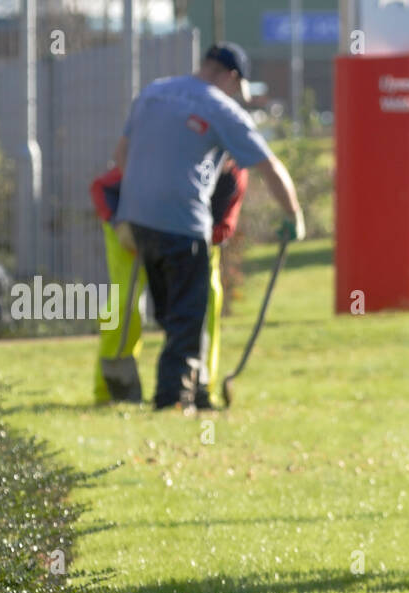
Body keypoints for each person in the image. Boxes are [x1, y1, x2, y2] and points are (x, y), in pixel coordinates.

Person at [112, 41, 305, 410]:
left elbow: (121, 154)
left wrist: (143, 196)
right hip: (183, 224)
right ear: (231, 77)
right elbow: (268, 165)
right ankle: (172, 400)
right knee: (187, 314)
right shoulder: (220, 108)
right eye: (237, 87)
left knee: (172, 312)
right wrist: (293, 216)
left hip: (138, 220)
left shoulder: (153, 92)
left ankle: (197, 392)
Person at [91, 156, 247, 404]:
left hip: (193, 235)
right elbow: (102, 188)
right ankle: (111, 387)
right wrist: (120, 223)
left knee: (208, 297)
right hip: (128, 227)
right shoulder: (167, 149)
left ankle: (199, 385)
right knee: (126, 303)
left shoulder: (234, 175)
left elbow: (224, 225)